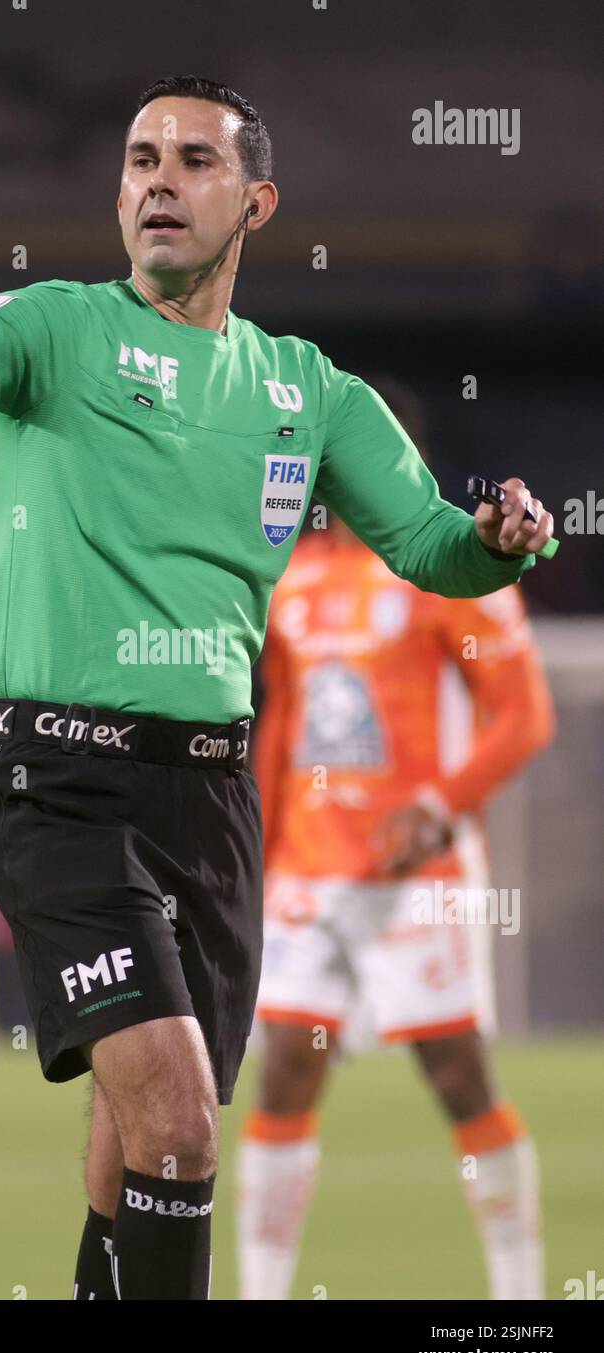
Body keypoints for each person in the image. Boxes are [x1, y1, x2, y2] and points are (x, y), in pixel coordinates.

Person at [0, 75, 555, 1300]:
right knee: (181, 1125)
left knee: (132, 1144)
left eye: (192, 160)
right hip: (60, 787)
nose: (157, 182)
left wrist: (501, 540)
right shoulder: (56, 329)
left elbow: (430, 547)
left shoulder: (307, 391)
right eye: (138, 158)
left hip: (210, 802)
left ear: (255, 202)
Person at [237, 380, 555, 1299]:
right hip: (307, 873)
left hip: (417, 877)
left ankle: (521, 1302)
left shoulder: (455, 566)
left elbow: (524, 716)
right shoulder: (289, 575)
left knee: (459, 1079)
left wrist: (437, 805)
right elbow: (282, 724)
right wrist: (252, 855)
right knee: (285, 1078)